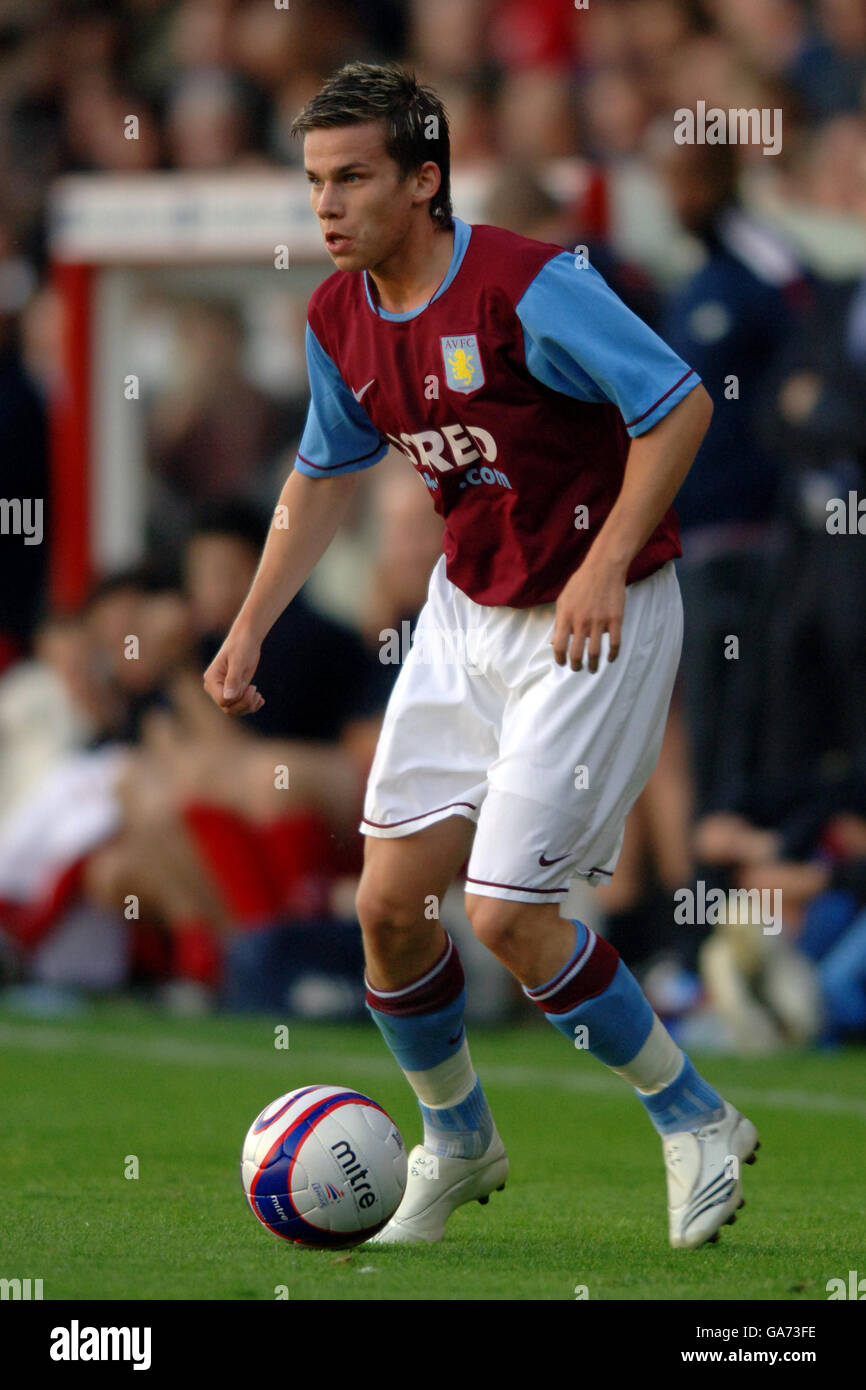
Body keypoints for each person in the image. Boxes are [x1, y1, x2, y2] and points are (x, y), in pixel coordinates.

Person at [203, 62, 759, 1252]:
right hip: (467, 614)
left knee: (507, 913)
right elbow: (320, 475)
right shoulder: (339, 317)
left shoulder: (529, 284)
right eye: (314, 181)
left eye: (352, 178)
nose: (327, 206)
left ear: (425, 179)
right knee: (391, 909)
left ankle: (696, 1117)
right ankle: (456, 1141)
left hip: (591, 616)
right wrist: (248, 621)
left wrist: (608, 559)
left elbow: (677, 404)